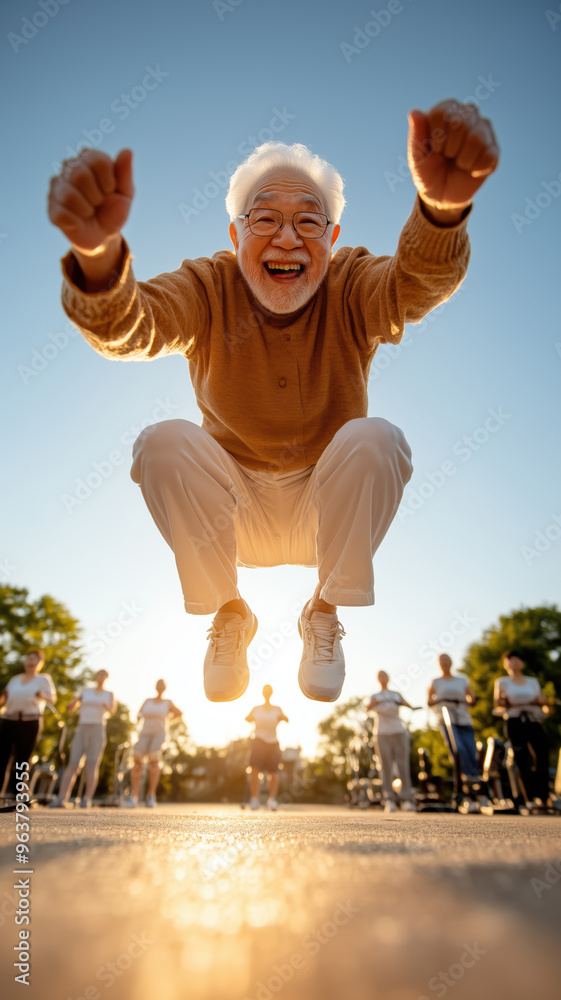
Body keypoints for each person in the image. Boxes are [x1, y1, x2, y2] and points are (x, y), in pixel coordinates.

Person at [48, 101, 499, 705]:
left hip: (325, 507)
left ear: (332, 240)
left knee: (378, 438)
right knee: (162, 442)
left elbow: (411, 288)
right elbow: (136, 326)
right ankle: (230, 613)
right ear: (235, 237)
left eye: (309, 223)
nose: (287, 238)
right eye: (264, 219)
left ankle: (325, 610)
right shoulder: (208, 286)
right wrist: (98, 258)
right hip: (233, 510)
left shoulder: (350, 282)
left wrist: (442, 213)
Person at [49, 669, 116, 809]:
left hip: (97, 728)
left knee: (91, 765)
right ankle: (61, 798)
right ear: (96, 676)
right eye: (99, 674)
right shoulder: (86, 691)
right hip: (82, 728)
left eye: (104, 674)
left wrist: (106, 706)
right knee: (73, 764)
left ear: (107, 677)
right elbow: (71, 706)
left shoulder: (109, 694)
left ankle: (86, 799)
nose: (101, 676)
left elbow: (112, 711)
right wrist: (72, 704)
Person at [494, 650, 552, 809]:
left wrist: (540, 700)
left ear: (522, 663)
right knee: (522, 758)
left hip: (533, 720)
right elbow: (498, 703)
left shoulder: (532, 681)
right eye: (510, 660)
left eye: (517, 660)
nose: (514, 663)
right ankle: (530, 798)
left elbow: (540, 700)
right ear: (506, 664)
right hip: (514, 722)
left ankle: (544, 796)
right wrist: (507, 700)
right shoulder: (502, 682)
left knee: (542, 757)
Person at [0, 649, 56, 797]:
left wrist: (41, 695)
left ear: (40, 663)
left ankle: (16, 796)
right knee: (2, 758)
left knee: (22, 760)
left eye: (34, 659)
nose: (30, 661)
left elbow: (52, 699)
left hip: (30, 721)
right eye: (28, 658)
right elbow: (5, 699)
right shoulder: (15, 679)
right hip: (8, 720)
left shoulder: (43, 679)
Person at [367, 671, 416, 813]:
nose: (383, 678)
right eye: (380, 676)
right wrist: (374, 703)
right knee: (385, 765)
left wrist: (399, 702)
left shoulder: (396, 694)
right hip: (382, 733)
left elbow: (408, 705)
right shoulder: (374, 696)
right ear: (378, 679)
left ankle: (406, 799)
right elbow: (367, 708)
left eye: (385, 675)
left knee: (402, 764)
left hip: (399, 731)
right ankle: (389, 799)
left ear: (388, 678)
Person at [129, 679, 182, 807]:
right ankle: (133, 795)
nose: (160, 686)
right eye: (158, 684)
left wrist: (169, 718)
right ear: (155, 686)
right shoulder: (147, 701)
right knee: (136, 759)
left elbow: (179, 713)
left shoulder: (167, 702)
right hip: (145, 733)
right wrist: (139, 718)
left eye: (162, 684)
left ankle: (151, 795)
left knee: (154, 760)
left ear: (165, 688)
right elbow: (139, 714)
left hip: (159, 734)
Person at [427, 653, 480, 781]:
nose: (445, 662)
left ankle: (475, 777)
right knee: (458, 748)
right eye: (442, 660)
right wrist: (441, 699)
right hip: (447, 719)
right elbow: (429, 701)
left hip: (463, 717)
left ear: (451, 662)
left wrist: (468, 700)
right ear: (439, 664)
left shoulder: (462, 680)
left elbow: (470, 697)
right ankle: (464, 776)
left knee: (471, 748)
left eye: (447, 659)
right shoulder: (436, 682)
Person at [245, 684, 288, 810]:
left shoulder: (277, 709)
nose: (267, 693)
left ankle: (272, 799)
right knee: (254, 768)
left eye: (269, 691)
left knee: (274, 771)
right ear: (263, 693)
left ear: (271, 693)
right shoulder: (256, 709)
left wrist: (281, 718)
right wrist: (251, 719)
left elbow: (286, 719)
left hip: (273, 742)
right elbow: (247, 719)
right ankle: (254, 799)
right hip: (258, 740)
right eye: (265, 691)